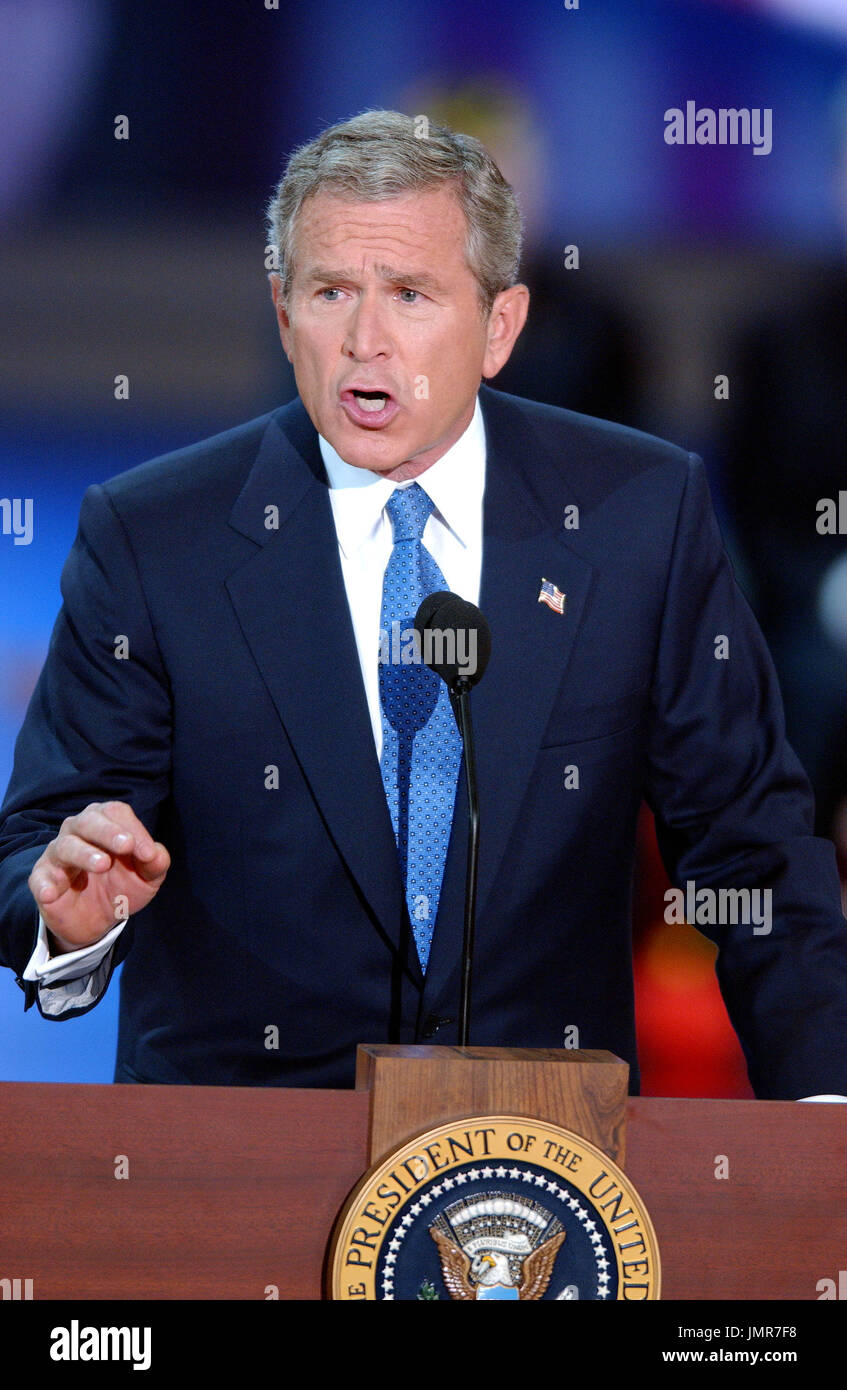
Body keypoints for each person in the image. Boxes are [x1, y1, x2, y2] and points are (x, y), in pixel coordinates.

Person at [1, 110, 846, 1098]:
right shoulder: (153, 537)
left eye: (409, 294)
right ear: (283, 314)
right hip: (234, 1173)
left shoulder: (635, 518)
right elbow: (41, 843)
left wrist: (823, 1119)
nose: (366, 340)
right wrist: (63, 919)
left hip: (542, 1174)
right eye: (331, 292)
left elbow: (747, 851)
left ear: (499, 327)